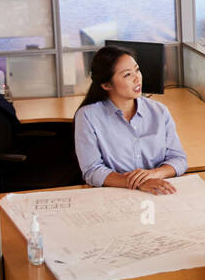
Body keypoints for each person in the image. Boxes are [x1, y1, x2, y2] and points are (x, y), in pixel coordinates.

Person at [73, 45, 186, 193]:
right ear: (107, 85)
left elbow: (179, 159)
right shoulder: (87, 116)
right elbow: (92, 171)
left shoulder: (159, 111)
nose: (137, 77)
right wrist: (136, 183)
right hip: (114, 197)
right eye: (127, 75)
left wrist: (152, 175)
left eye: (137, 70)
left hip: (157, 192)